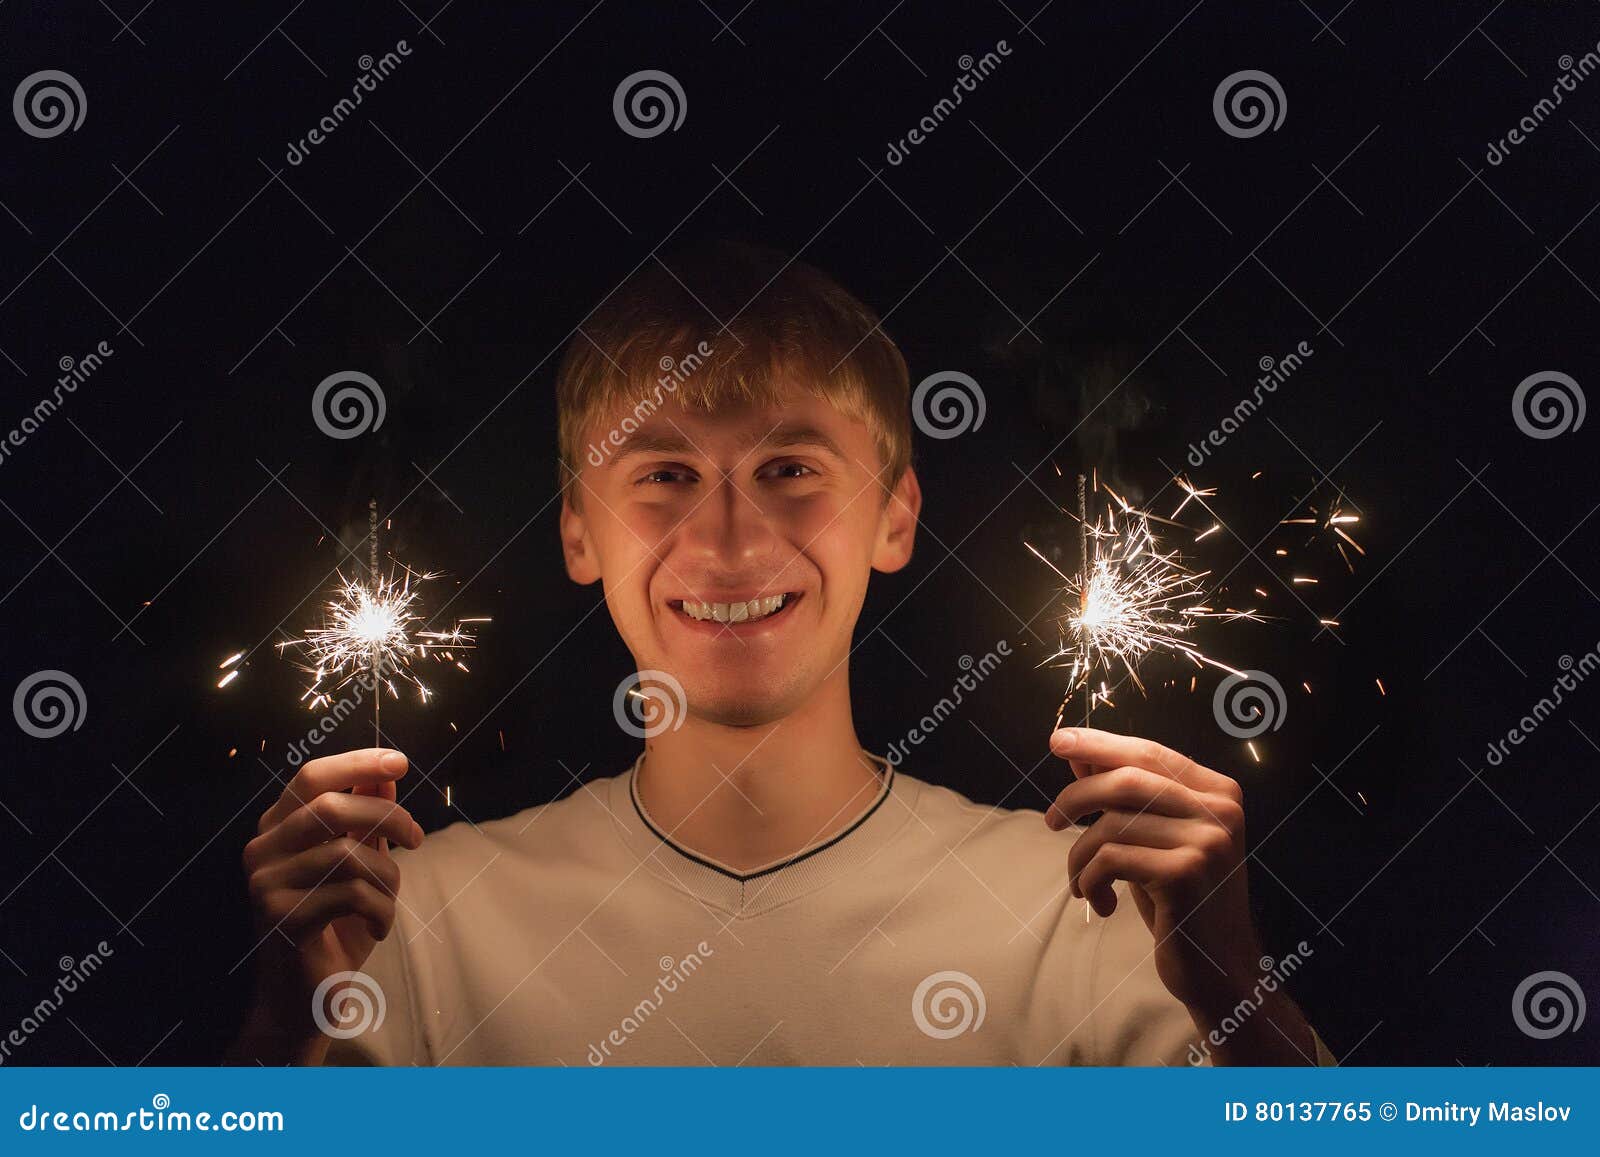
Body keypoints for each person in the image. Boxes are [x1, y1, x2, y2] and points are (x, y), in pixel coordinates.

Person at [227, 242, 1335, 1067]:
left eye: (790, 468)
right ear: (577, 529)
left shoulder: (1089, 907)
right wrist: (288, 1019)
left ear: (895, 516)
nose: (728, 540)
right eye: (662, 474)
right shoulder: (412, 917)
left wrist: (1235, 989)